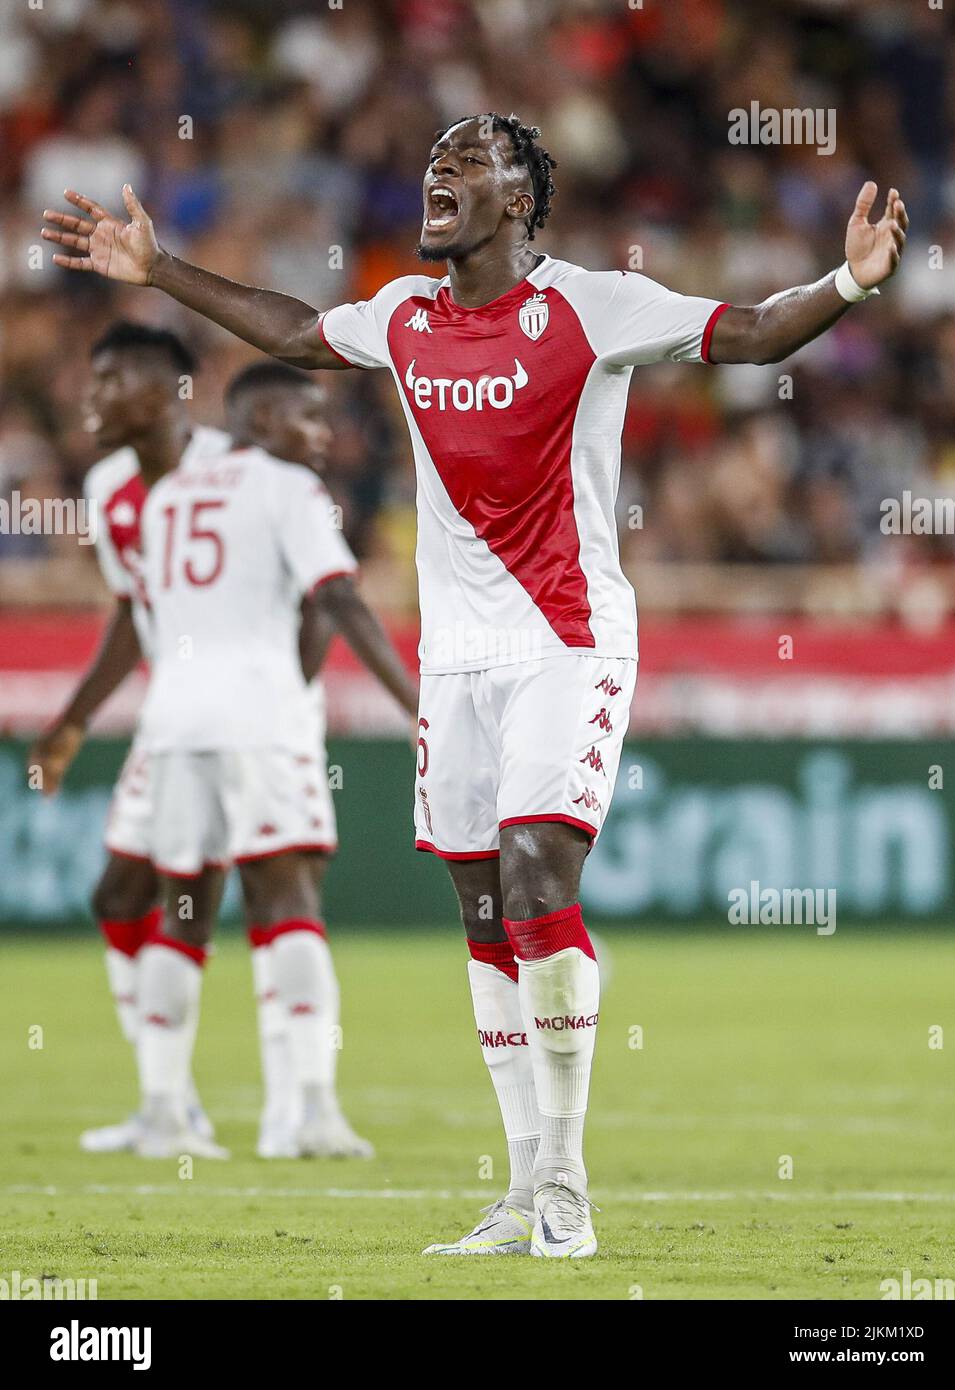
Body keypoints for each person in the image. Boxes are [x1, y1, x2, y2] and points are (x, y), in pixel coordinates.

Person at [42, 111, 908, 1254]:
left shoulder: (593, 305)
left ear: (519, 197)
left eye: (463, 161)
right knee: (485, 908)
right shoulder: (402, 315)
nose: (434, 173)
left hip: (567, 636)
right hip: (456, 656)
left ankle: (564, 1184)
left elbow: (746, 333)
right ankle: (518, 1192)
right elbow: (299, 331)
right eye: (430, 157)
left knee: (536, 869)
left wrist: (843, 282)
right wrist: (158, 270)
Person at [123, 361, 418, 1158]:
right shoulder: (289, 490)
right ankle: (311, 1114)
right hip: (260, 716)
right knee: (288, 900)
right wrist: (419, 708)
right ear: (258, 420)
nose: (323, 435)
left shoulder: (169, 495)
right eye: (307, 418)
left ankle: (160, 1111)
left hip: (175, 720)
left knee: (182, 911)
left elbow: (158, 614)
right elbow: (338, 598)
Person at [30, 320, 228, 1157]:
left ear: (161, 388)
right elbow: (134, 616)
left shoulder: (233, 469)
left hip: (234, 714)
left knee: (192, 894)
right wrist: (73, 718)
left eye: (108, 381)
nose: (90, 398)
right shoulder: (110, 486)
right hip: (168, 710)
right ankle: (169, 1101)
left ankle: (216, 1107)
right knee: (120, 895)